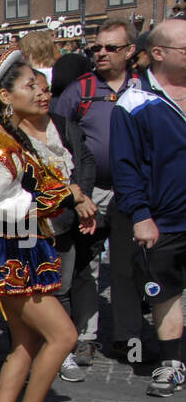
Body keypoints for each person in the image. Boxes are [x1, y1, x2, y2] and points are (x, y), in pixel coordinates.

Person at [0, 52, 93, 402]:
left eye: (42, 85)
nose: (42, 91)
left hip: (24, 246)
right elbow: (6, 205)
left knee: (27, 340)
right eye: (30, 86)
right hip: (12, 249)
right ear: (5, 95)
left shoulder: (10, 135)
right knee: (64, 335)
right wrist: (66, 196)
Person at [51, 20, 144, 363]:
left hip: (133, 190)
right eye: (96, 48)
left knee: (127, 265)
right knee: (85, 266)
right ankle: (85, 336)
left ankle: (127, 337)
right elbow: (57, 139)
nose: (101, 53)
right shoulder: (80, 89)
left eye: (110, 48)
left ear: (130, 51)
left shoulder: (143, 87)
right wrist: (80, 192)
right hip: (92, 191)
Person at [110, 18, 186, 396]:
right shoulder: (134, 103)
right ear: (158, 53)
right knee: (166, 292)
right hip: (165, 217)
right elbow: (125, 167)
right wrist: (141, 215)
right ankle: (171, 363)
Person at [29, 72, 97, 385]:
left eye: (46, 91)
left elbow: (84, 162)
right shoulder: (13, 133)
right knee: (33, 290)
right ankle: (32, 347)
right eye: (35, 90)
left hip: (64, 221)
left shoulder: (63, 126)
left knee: (63, 286)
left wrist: (79, 197)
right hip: (29, 224)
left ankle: (62, 350)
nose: (42, 96)